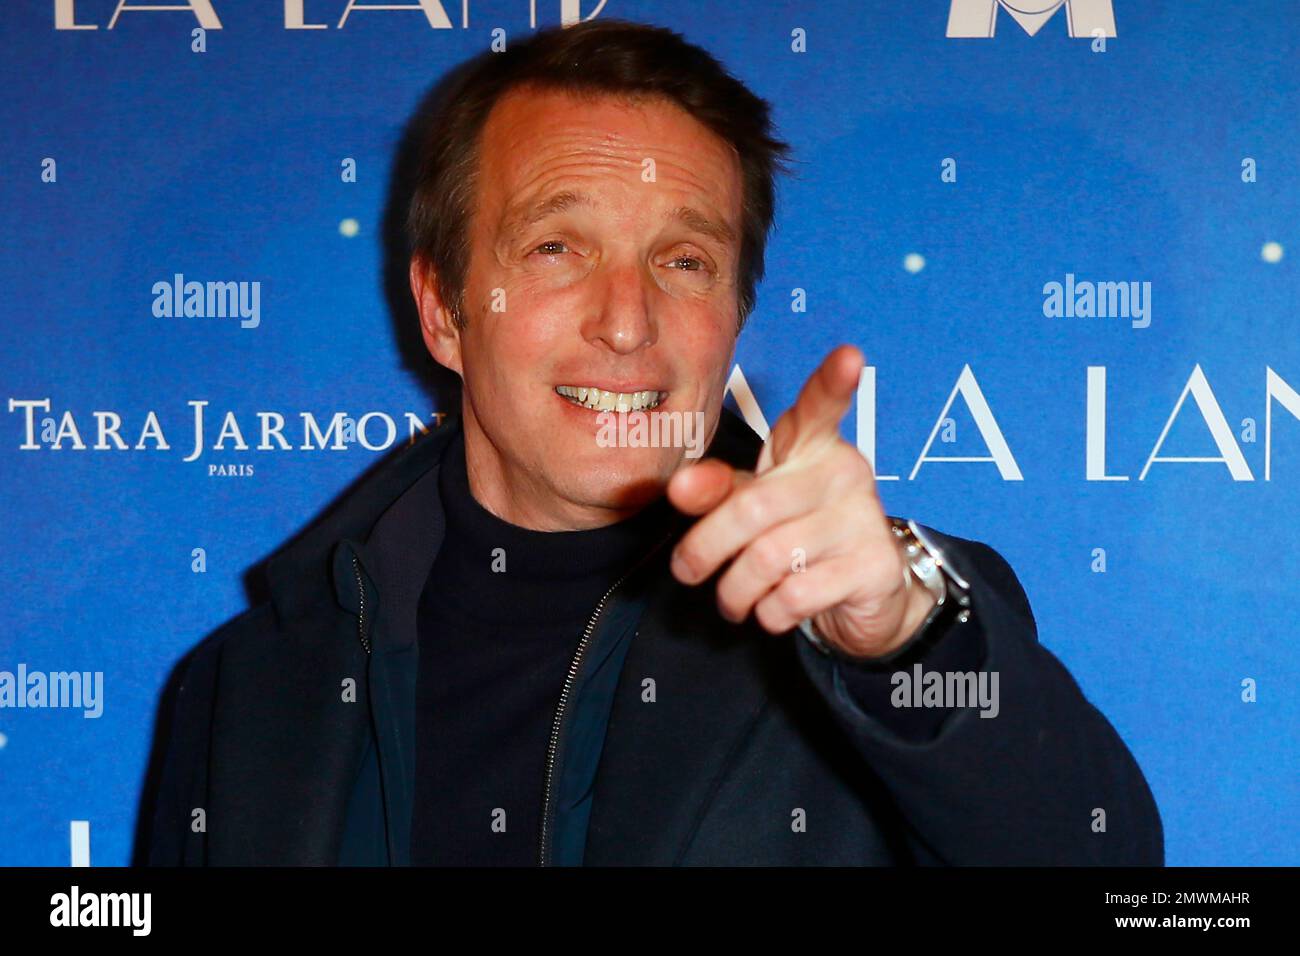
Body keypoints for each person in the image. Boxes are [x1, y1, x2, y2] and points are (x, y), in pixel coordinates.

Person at [146, 18, 1162, 866]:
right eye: (556, 247)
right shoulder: (247, 683)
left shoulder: (874, 622)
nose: (626, 321)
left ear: (734, 314)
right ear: (444, 311)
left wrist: (903, 642)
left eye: (682, 260)